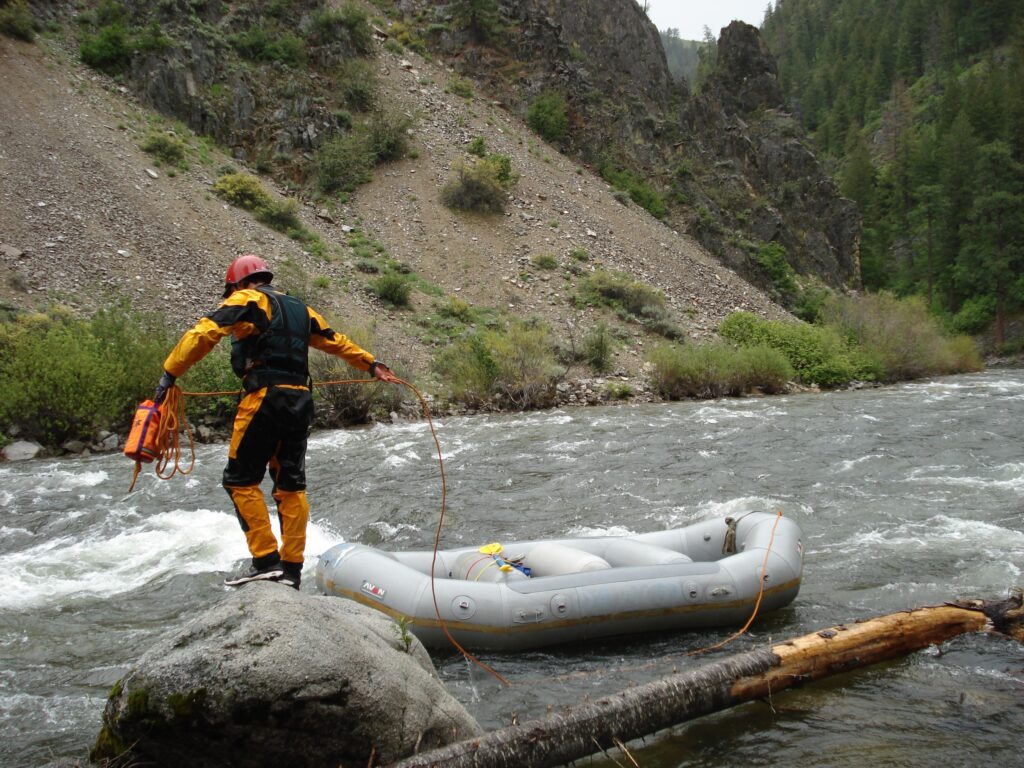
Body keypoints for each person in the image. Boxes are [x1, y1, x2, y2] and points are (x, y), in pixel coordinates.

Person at [154, 254, 400, 590]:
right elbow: (335, 341)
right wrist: (371, 364)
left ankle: (266, 561)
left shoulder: (247, 299)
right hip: (301, 403)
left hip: (264, 399)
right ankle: (291, 570)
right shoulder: (302, 310)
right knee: (291, 487)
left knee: (240, 481)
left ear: (239, 283)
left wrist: (170, 372)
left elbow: (206, 331)